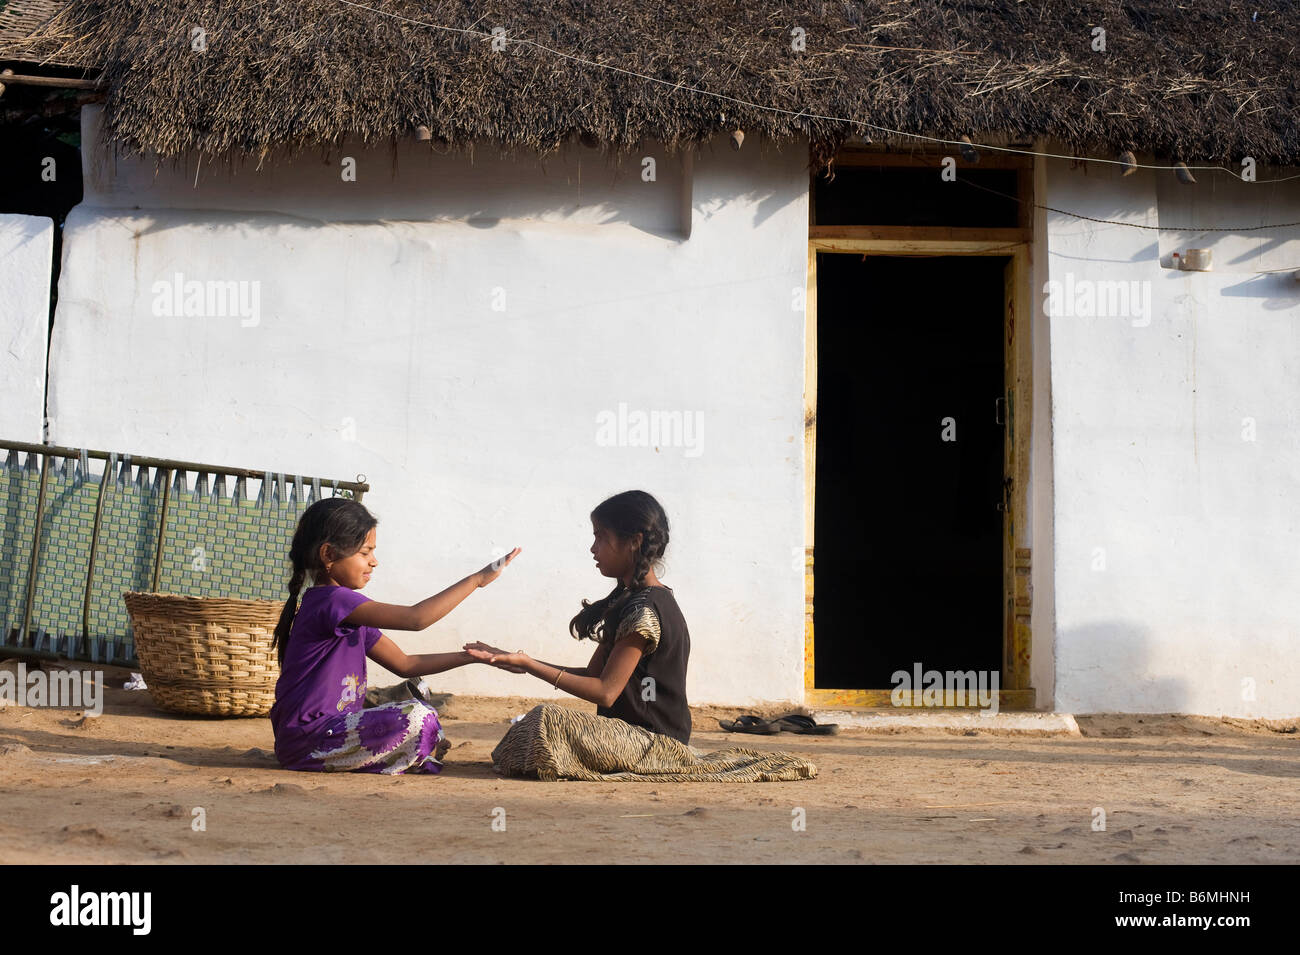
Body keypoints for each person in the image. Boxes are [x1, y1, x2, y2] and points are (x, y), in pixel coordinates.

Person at [269, 496, 520, 774]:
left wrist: (471, 657)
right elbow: (416, 619)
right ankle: (418, 750)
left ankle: (419, 748)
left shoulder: (350, 612)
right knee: (420, 718)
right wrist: (477, 580)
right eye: (365, 553)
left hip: (325, 735)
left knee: (423, 712)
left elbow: (405, 664)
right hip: (310, 739)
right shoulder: (332, 601)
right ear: (328, 555)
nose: (374, 562)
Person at [467, 489, 691, 743]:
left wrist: (529, 665)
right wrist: (523, 662)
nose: (593, 548)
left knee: (542, 723)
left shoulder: (644, 610)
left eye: (601, 537)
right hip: (632, 739)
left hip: (652, 745)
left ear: (634, 541)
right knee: (538, 727)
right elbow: (592, 676)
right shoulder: (632, 602)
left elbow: (606, 692)